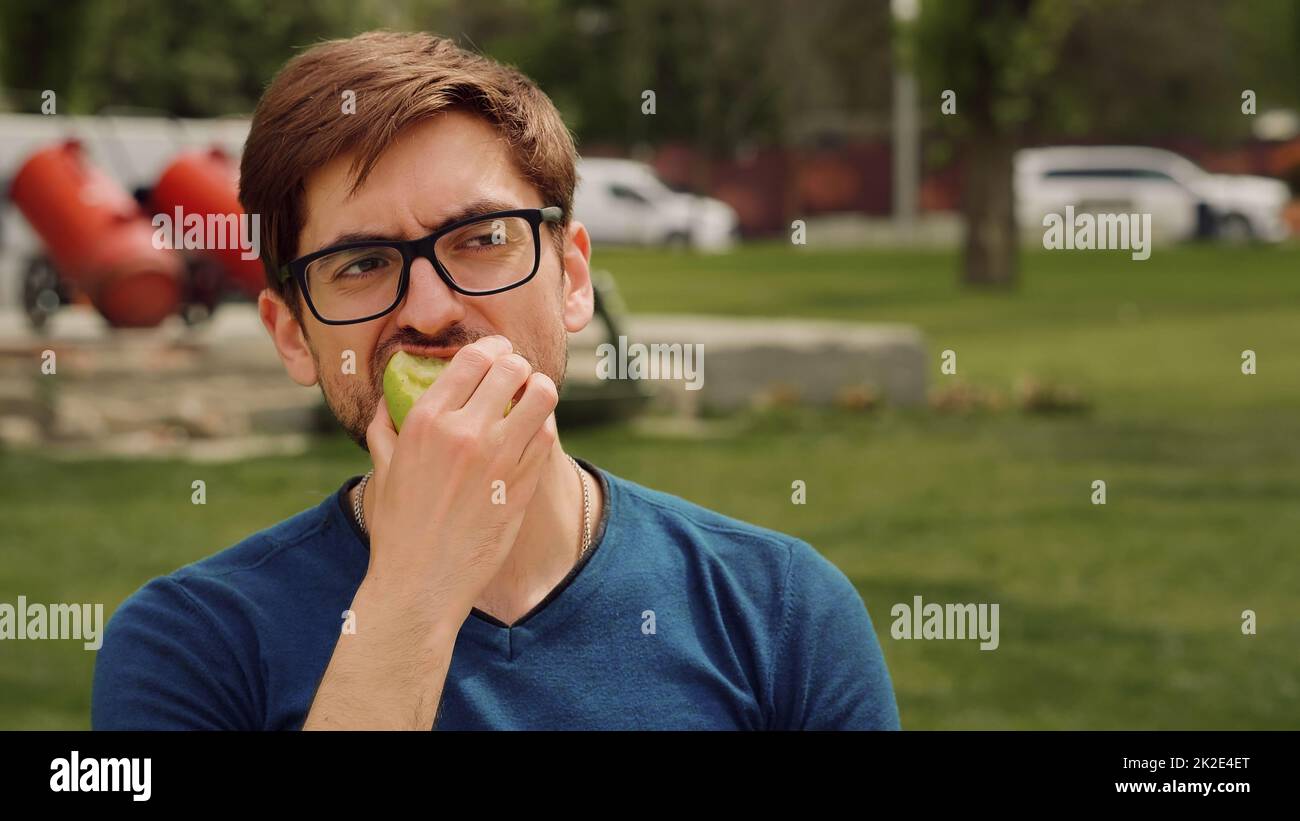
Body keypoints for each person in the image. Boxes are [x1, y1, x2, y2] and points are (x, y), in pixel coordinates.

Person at [91, 30, 900, 730]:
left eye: (481, 238)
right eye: (363, 263)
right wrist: (414, 591)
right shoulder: (188, 646)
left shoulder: (782, 613)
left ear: (572, 278)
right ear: (293, 335)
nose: (432, 309)